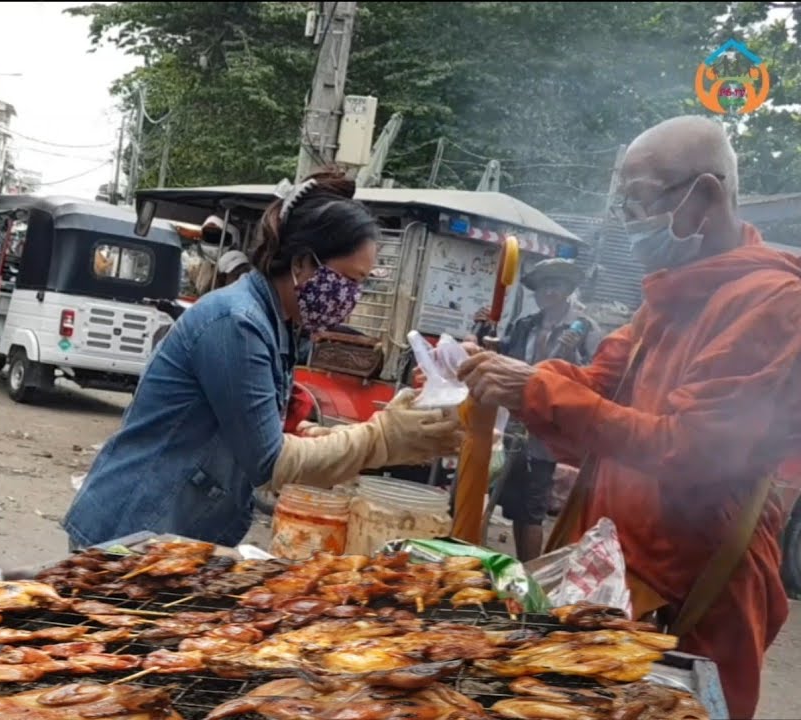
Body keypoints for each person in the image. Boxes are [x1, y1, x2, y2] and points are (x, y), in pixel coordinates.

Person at [457, 115, 795, 719]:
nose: (630, 223)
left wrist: (538, 390)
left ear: (706, 196)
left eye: (638, 202)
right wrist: (503, 378)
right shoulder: (669, 296)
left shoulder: (770, 303)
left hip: (696, 588)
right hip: (613, 576)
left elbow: (690, 451)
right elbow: (595, 388)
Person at [63, 169, 463, 549]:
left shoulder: (277, 324)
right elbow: (269, 463)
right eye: (351, 280)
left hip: (167, 532)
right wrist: (380, 438)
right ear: (303, 263)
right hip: (130, 532)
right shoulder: (237, 323)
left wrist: (335, 437)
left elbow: (261, 430)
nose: (353, 297)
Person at [472, 259, 600, 561]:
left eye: (554, 284)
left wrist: (572, 358)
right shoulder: (525, 324)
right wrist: (482, 330)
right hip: (512, 421)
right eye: (542, 286)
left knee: (531, 509)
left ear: (568, 289)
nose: (547, 292)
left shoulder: (583, 330)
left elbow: (598, 379)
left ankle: (532, 574)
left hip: (547, 428)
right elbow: (500, 353)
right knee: (503, 498)